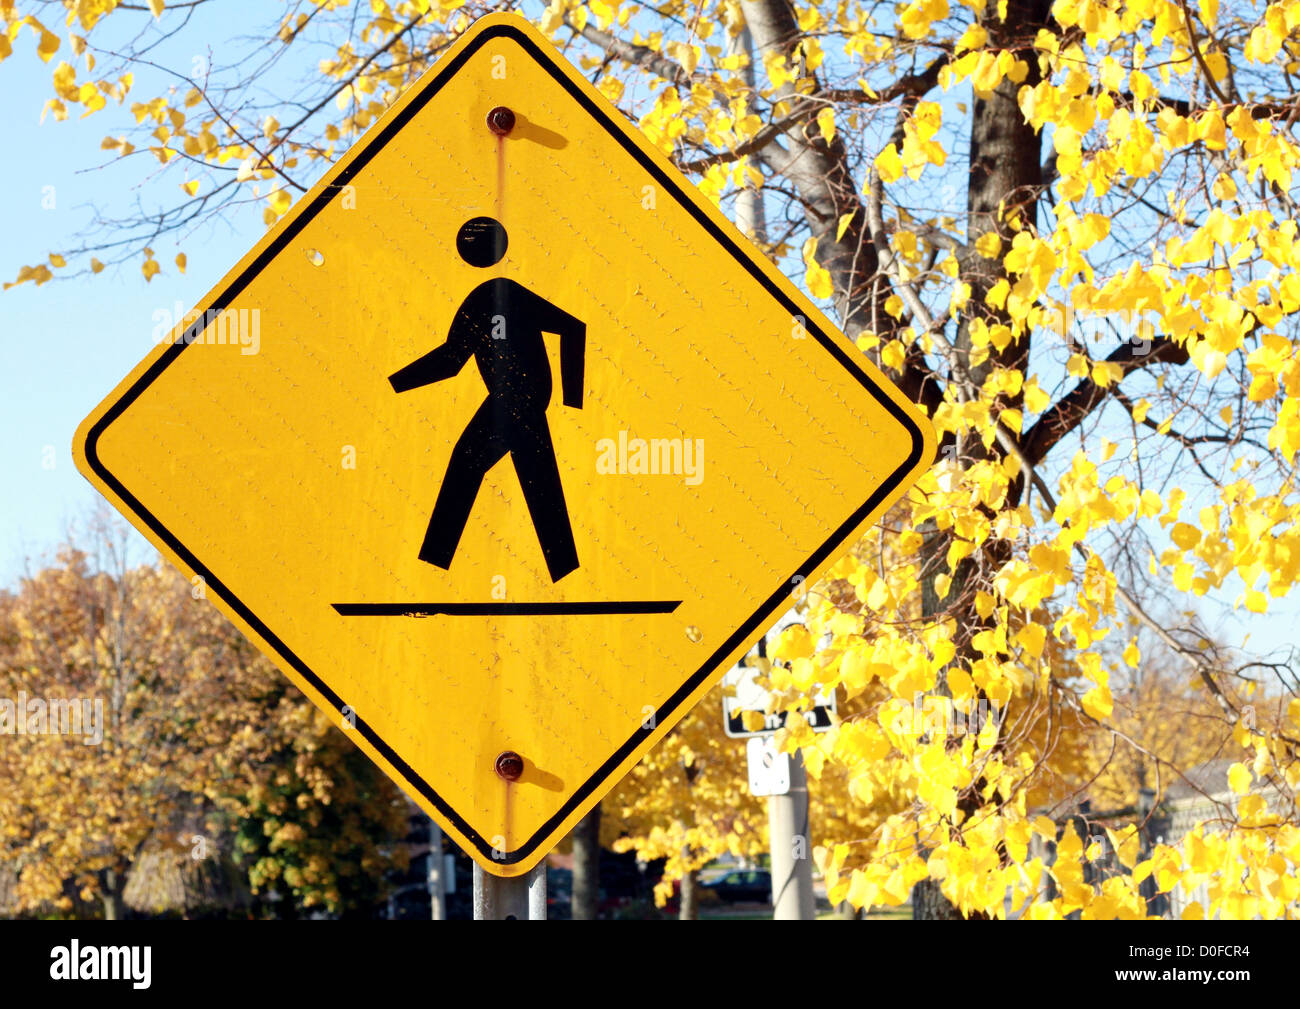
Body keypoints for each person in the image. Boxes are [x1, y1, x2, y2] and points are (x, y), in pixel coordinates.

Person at [389, 216, 586, 582]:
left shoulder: (502, 291)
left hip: (518, 396)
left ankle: (431, 569)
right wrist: (394, 384)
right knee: (538, 479)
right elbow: (451, 360)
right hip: (516, 397)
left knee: (466, 463)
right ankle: (567, 573)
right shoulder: (479, 300)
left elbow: (573, 327)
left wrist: (573, 402)